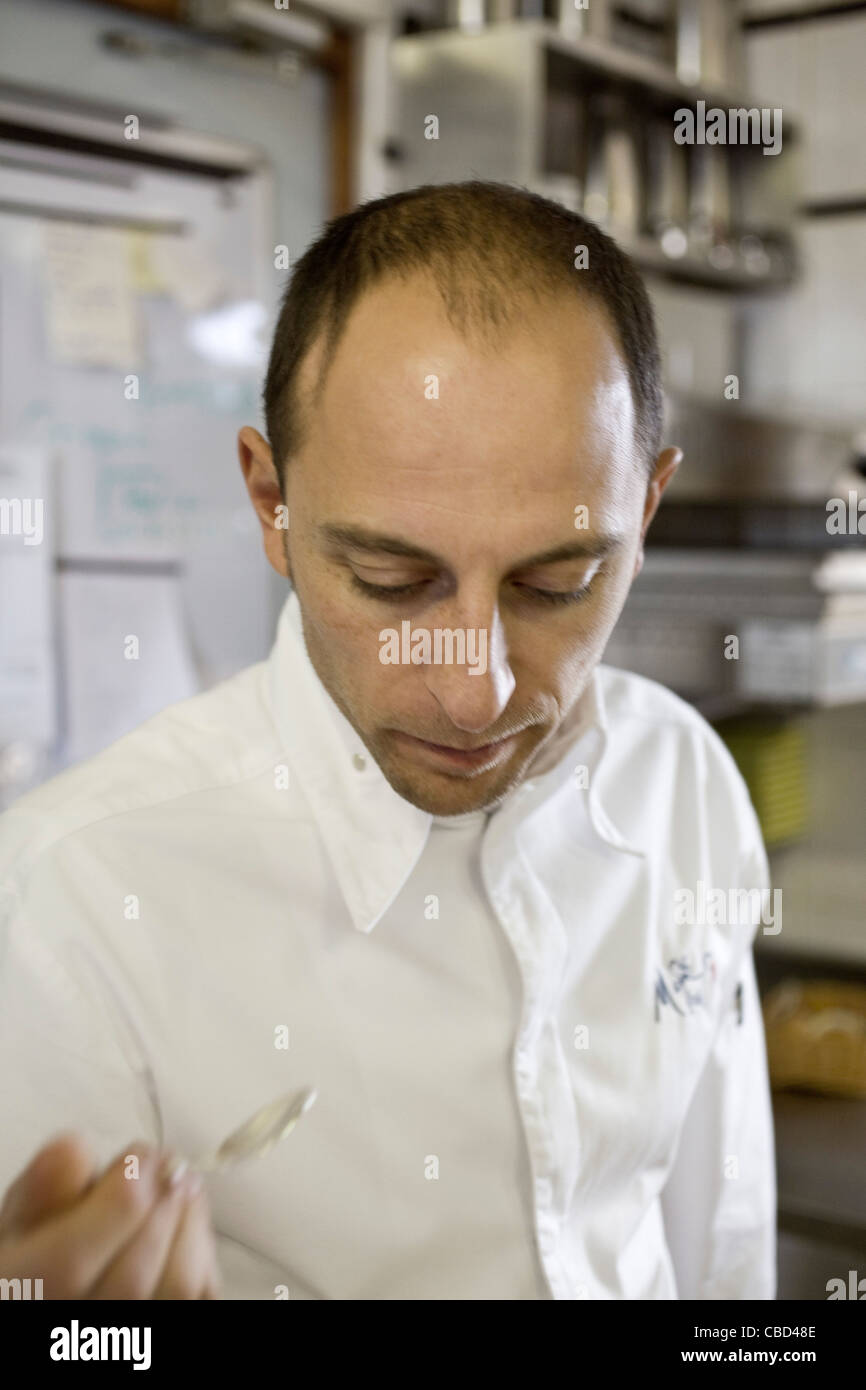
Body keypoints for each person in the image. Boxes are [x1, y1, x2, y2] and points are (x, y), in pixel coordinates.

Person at [0, 181, 776, 1300]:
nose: (474, 691)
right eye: (390, 581)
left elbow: (722, 1240)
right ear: (270, 502)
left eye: (556, 583)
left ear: (644, 512)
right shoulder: (67, 909)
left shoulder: (683, 783)